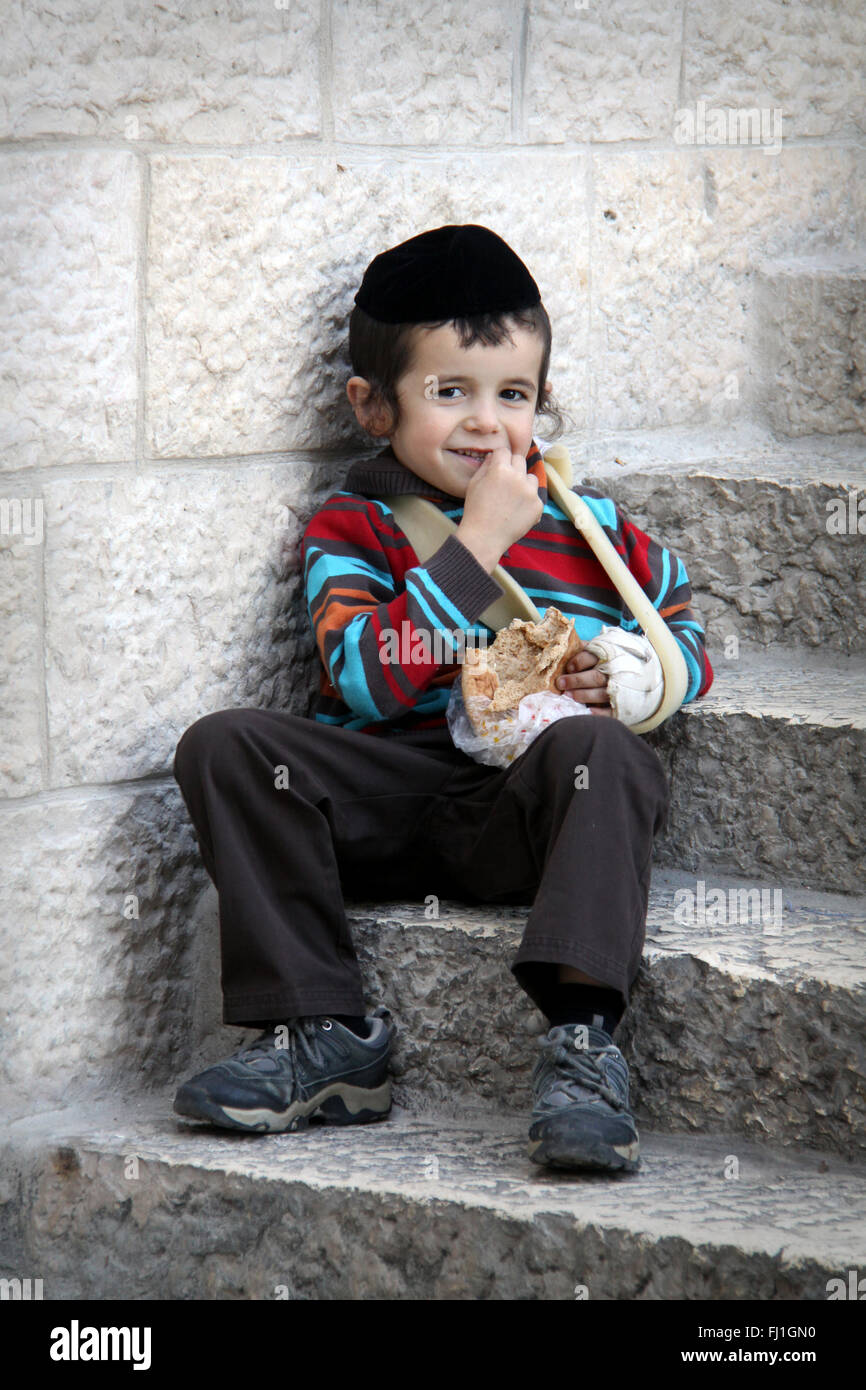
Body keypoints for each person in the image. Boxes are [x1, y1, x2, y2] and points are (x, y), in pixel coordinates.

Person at [172, 224, 713, 1173]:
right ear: (374, 406)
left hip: (529, 811)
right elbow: (365, 682)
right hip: (392, 795)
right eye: (448, 392)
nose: (483, 422)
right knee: (225, 744)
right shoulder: (356, 527)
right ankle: (324, 1037)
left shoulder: (596, 527)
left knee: (608, 751)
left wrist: (638, 676)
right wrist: (476, 552)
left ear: (542, 404)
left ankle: (584, 1047)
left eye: (511, 395)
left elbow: (682, 630)